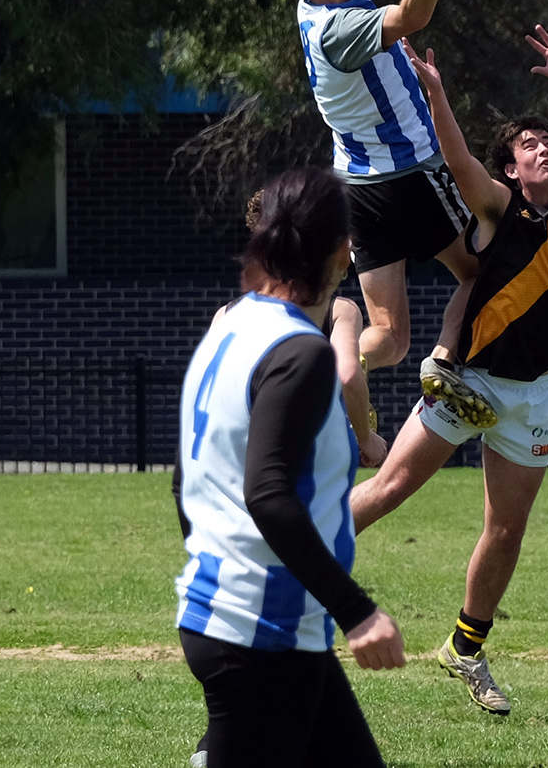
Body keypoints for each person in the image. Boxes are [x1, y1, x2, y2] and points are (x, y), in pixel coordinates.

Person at [349, 22, 548, 715]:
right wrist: (436, 96)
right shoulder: (498, 209)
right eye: (529, 145)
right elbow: (456, 158)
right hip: (468, 382)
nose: (543, 148)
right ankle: (286, 550)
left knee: (506, 530)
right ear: (512, 169)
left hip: (534, 394)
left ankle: (465, 649)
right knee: (389, 489)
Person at [174, 167, 406, 767]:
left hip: (245, 621)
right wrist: (357, 612)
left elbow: (186, 480)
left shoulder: (230, 329)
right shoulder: (300, 353)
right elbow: (268, 493)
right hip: (262, 632)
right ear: (342, 251)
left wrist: (218, 572)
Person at [274, 0, 493, 425]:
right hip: (410, 175)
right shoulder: (339, 29)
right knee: (484, 273)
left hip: (356, 190)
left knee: (390, 336)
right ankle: (444, 362)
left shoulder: (319, 1)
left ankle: (334, 363)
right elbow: (413, 15)